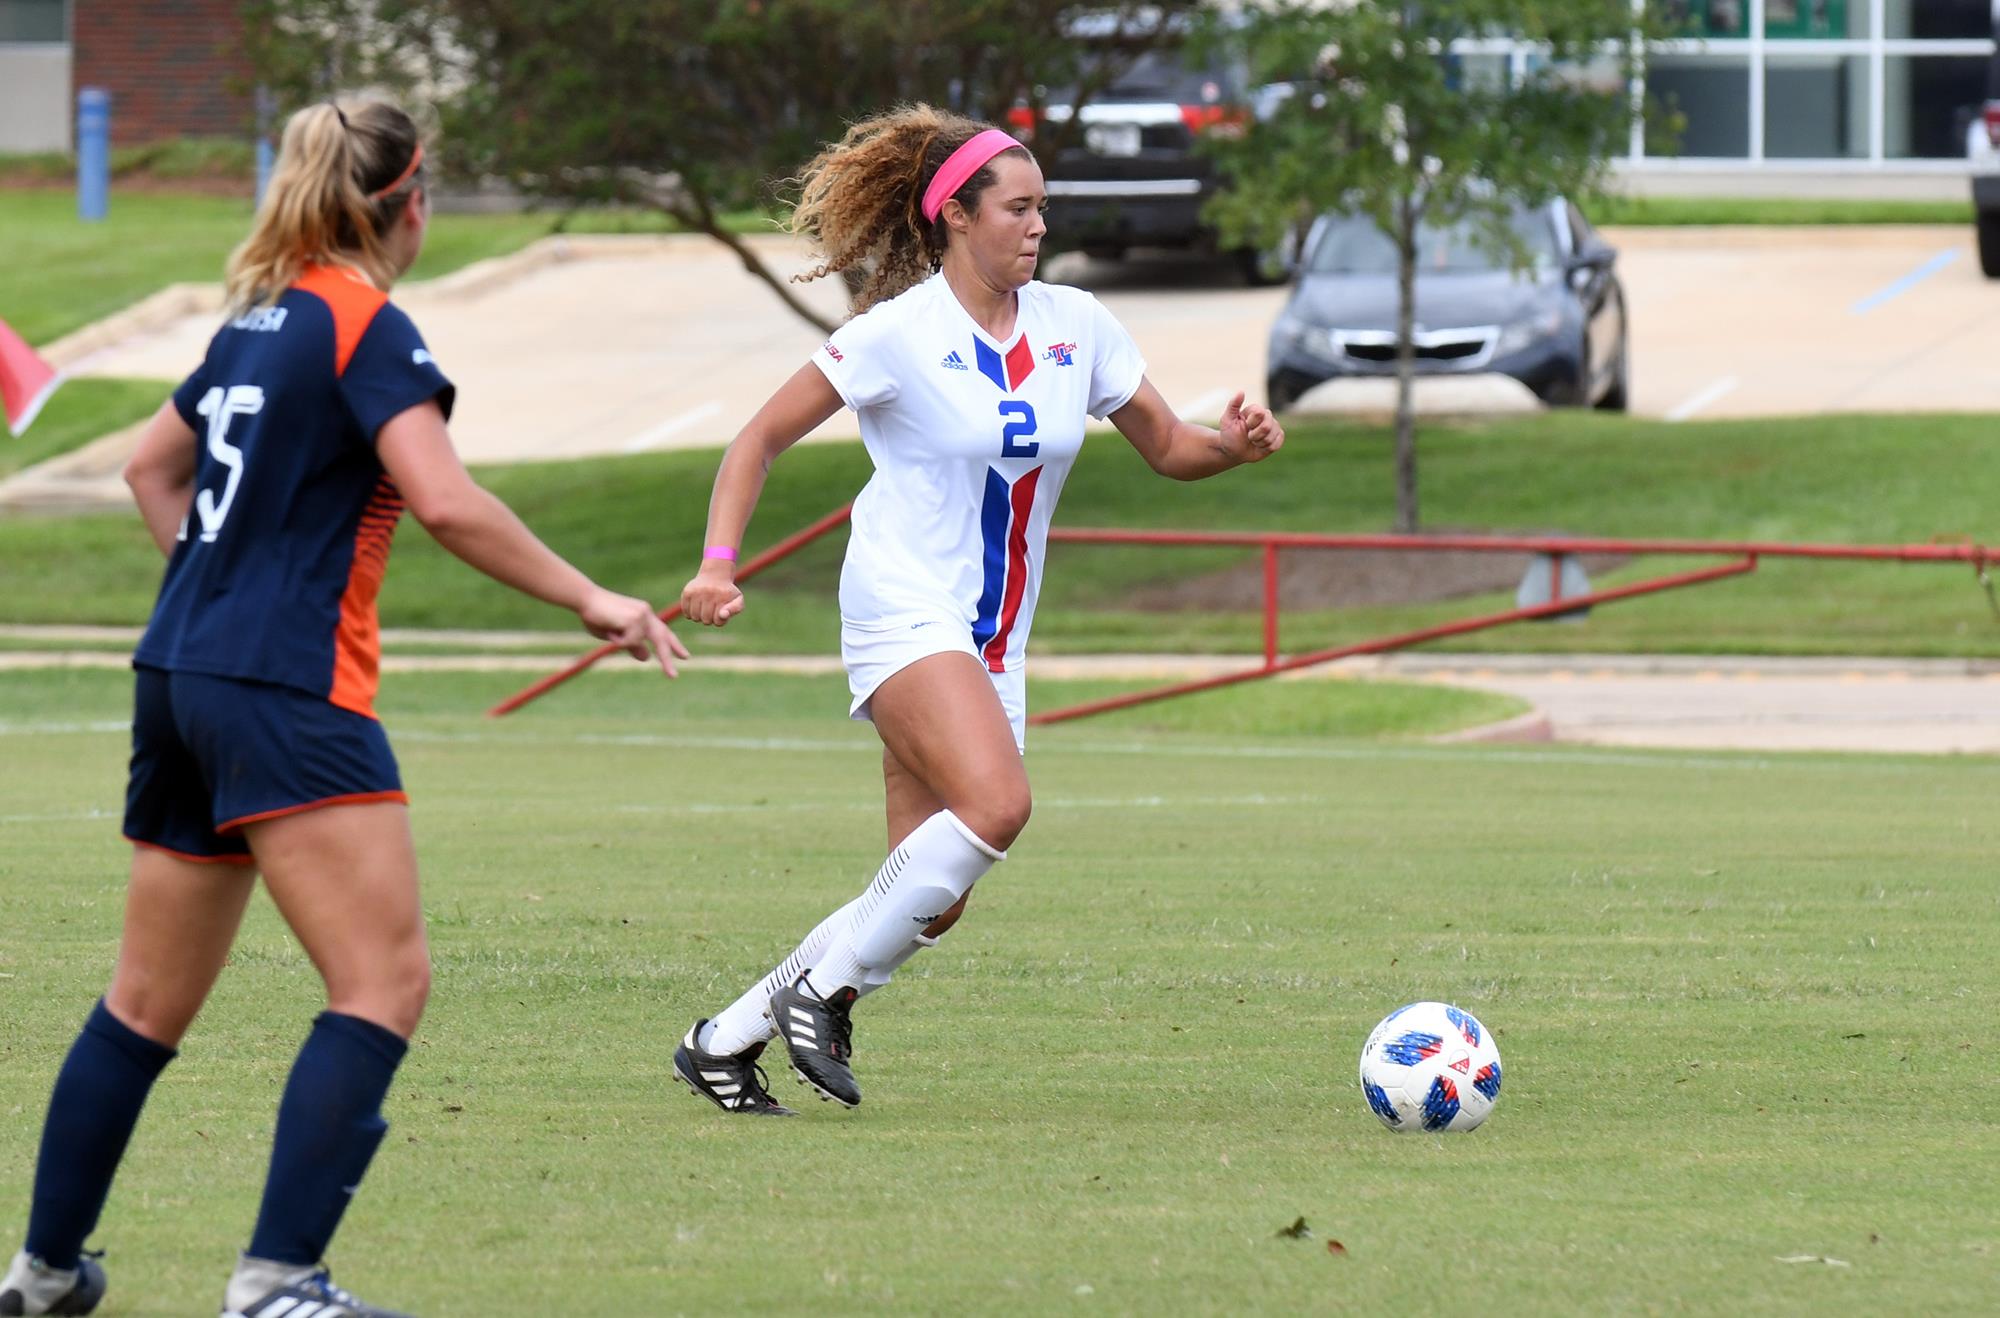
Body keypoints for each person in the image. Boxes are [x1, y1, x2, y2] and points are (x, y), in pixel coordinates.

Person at [0, 98, 684, 1318]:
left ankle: (44, 1272)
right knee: (381, 983)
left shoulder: (254, 322)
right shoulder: (366, 324)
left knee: (143, 1005)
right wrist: (592, 597)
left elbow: (147, 467)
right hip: (284, 687)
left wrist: (209, 595)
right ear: (410, 206)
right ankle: (276, 1284)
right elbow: (447, 500)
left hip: (181, 674)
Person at [669, 105, 1284, 1117]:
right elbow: (754, 442)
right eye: (1017, 207)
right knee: (998, 805)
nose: (1037, 225)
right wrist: (716, 562)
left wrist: (1236, 444)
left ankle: (724, 1040)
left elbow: (1172, 446)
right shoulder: (894, 335)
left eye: (1044, 207)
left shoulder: (1076, 324)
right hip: (901, 609)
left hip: (992, 638)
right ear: (953, 215)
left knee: (927, 898)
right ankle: (820, 994)